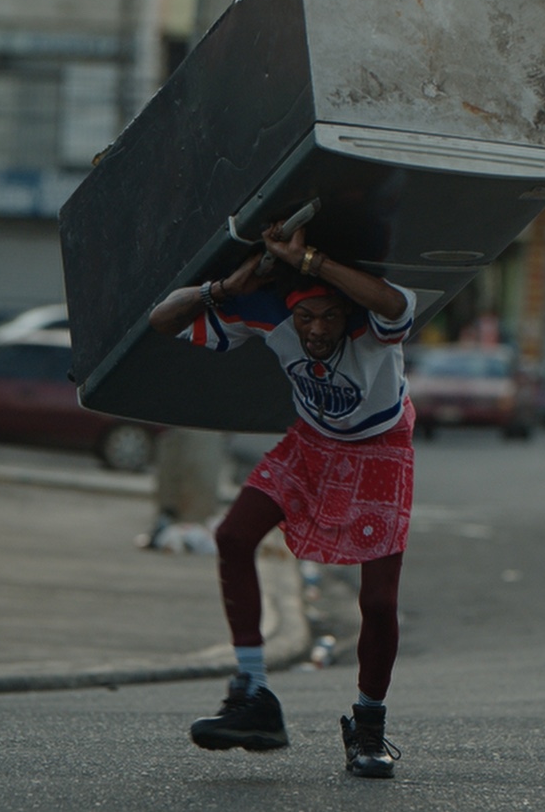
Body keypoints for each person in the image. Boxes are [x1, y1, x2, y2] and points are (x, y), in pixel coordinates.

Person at [148, 221, 417, 779]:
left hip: (380, 448)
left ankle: (368, 727)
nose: (316, 331)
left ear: (347, 316)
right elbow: (162, 320)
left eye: (328, 318)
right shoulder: (268, 314)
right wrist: (223, 289)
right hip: (312, 443)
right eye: (305, 318)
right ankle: (254, 696)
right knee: (233, 536)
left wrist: (311, 259)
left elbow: (393, 301)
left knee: (381, 603)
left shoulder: (376, 322)